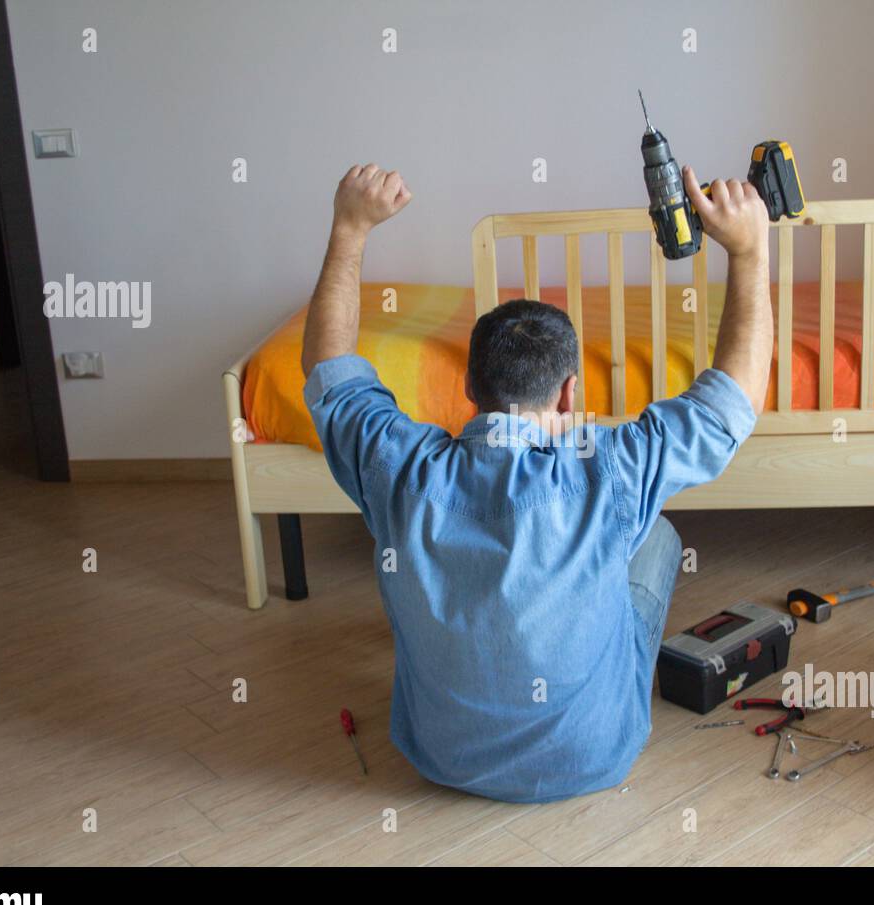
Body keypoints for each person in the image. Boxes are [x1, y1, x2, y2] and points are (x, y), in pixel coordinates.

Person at [299, 163, 772, 801]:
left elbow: (329, 366)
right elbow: (732, 401)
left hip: (439, 758)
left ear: (469, 389)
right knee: (654, 535)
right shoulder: (613, 466)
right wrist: (749, 249)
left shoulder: (398, 464)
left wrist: (350, 227)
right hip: (596, 758)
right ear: (570, 393)